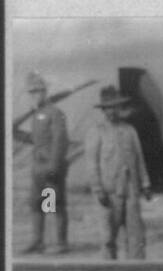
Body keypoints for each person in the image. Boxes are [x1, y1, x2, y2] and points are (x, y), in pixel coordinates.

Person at [84, 86, 152, 261]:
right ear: (103, 110)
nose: (112, 111)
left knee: (136, 234)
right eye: (108, 108)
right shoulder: (96, 131)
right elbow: (92, 164)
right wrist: (98, 190)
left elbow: (139, 159)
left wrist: (145, 184)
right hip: (109, 191)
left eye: (115, 107)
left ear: (120, 108)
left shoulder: (130, 130)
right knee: (108, 237)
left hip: (130, 189)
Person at [18, 72, 70, 254]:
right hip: (37, 167)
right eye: (31, 92)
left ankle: (60, 242)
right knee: (36, 203)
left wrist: (54, 167)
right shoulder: (36, 115)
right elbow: (37, 139)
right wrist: (18, 134)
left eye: (38, 92)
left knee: (55, 203)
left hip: (50, 165)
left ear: (45, 92)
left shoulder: (55, 113)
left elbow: (59, 140)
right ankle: (37, 240)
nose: (35, 95)